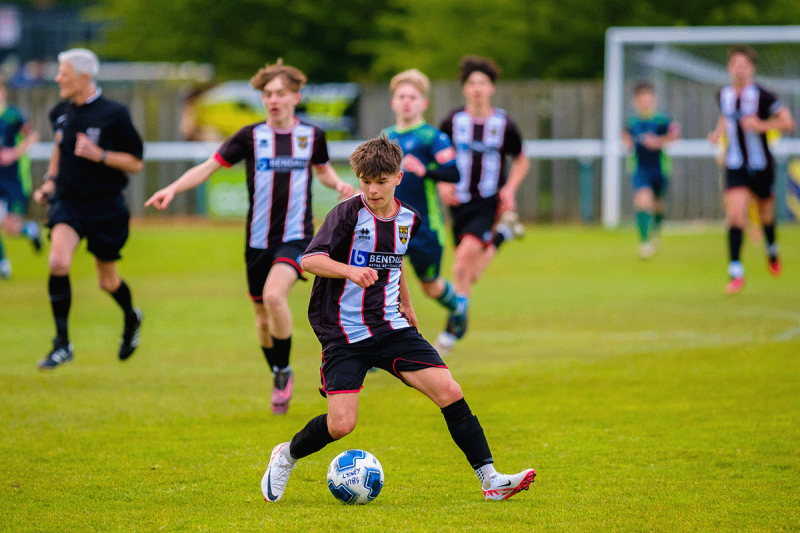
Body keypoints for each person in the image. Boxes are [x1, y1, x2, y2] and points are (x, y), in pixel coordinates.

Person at [260, 137, 535, 503]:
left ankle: (491, 480)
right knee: (341, 425)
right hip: (344, 334)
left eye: (381, 181)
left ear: (398, 178)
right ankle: (286, 455)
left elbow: (395, 260)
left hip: (391, 327)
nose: (373, 190)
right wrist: (350, 271)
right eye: (366, 181)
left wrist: (407, 304)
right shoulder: (346, 214)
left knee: (450, 391)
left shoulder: (409, 218)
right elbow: (309, 260)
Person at [146, 60, 354, 415]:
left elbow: (322, 170)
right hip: (257, 241)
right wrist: (172, 188)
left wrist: (337, 184)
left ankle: (284, 370)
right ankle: (277, 370)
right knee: (261, 317)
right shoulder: (250, 136)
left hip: (296, 237)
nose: (273, 100)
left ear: (295, 97)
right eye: (267, 94)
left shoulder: (312, 135)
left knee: (274, 296)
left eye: (280, 94)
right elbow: (209, 167)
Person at [31, 48, 144, 370]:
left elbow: (135, 162)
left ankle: (131, 317)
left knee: (107, 282)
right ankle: (62, 344)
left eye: (63, 74)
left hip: (106, 207)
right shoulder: (60, 112)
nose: (58, 79)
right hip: (69, 202)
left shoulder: (114, 114)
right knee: (57, 262)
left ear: (83, 77)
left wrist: (100, 155)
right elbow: (59, 149)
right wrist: (50, 183)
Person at [435, 56, 530, 354]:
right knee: (469, 273)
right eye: (472, 83)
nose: (477, 88)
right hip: (458, 204)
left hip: (488, 202)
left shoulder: (503, 124)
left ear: (492, 88)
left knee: (461, 262)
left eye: (483, 83)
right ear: (464, 88)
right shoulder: (452, 122)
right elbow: (437, 157)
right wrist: (442, 184)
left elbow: (521, 159)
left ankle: (453, 328)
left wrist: (509, 189)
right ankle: (502, 236)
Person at [707, 46, 795, 294]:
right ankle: (736, 271)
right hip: (735, 165)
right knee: (735, 215)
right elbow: (726, 117)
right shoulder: (723, 94)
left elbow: (788, 122)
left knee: (766, 216)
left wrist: (760, 125)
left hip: (761, 165)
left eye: (744, 65)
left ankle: (772, 250)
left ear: (752, 68)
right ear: (729, 67)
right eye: (736, 64)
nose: (740, 69)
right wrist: (717, 134)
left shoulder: (764, 96)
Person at [381, 68, 460, 326]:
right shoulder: (386, 137)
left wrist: (425, 171)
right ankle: (378, 341)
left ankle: (457, 306)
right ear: (393, 102)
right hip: (389, 224)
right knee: (381, 285)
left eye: (412, 97)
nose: (406, 102)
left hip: (424, 227)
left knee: (430, 286)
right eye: (401, 96)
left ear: (423, 103)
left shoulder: (433, 137)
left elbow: (454, 173)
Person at [622, 81, 680, 259]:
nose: (646, 101)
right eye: (642, 98)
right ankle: (644, 242)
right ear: (636, 100)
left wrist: (658, 142)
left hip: (660, 167)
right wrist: (629, 142)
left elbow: (674, 135)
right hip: (640, 168)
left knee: (657, 204)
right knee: (642, 201)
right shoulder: (631, 121)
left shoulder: (663, 119)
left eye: (649, 97)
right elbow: (625, 139)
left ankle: (656, 230)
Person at [0, 76, 42, 279]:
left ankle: (29, 230)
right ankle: (3, 264)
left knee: (10, 227)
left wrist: (14, 153)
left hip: (13, 179)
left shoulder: (13, 115)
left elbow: (33, 136)